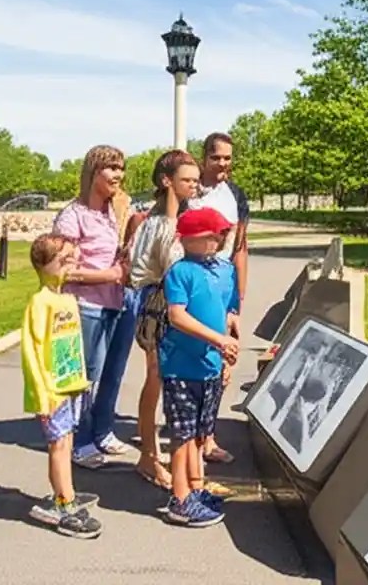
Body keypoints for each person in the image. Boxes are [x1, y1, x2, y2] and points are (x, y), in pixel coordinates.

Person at [52, 145, 135, 469]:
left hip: (116, 302)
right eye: (111, 168)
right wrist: (108, 274)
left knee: (112, 374)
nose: (118, 175)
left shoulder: (112, 213)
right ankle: (80, 440)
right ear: (93, 172)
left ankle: (103, 431)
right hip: (85, 306)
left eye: (121, 168)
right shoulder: (73, 216)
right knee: (84, 378)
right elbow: (63, 270)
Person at [158, 207, 240, 527]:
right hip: (181, 367)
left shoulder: (224, 270)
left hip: (210, 366)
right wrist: (218, 340)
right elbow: (177, 316)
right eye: (209, 236)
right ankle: (179, 499)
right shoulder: (180, 272)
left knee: (201, 433)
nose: (217, 241)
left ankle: (195, 487)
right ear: (188, 239)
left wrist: (229, 340)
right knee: (182, 435)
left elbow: (227, 307)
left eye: (219, 236)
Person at [19, 233, 103, 539]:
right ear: (43, 264)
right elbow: (32, 350)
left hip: (72, 386)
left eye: (73, 257)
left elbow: (73, 345)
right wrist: (44, 393)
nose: (72, 263)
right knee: (58, 444)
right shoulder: (39, 303)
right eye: (64, 259)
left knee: (67, 442)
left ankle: (64, 492)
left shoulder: (67, 299)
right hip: (53, 390)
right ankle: (65, 503)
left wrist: (81, 379)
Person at [127, 149, 200, 489]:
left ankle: (182, 457)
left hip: (180, 303)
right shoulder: (156, 224)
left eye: (196, 181)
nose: (194, 187)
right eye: (187, 180)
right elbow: (171, 265)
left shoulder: (186, 217)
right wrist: (173, 213)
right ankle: (149, 456)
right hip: (158, 303)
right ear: (166, 181)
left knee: (178, 380)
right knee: (157, 377)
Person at [186, 132, 251, 465]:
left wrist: (237, 298)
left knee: (223, 362)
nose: (223, 164)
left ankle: (207, 436)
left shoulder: (236, 196)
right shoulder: (192, 193)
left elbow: (240, 247)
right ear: (205, 158)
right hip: (193, 282)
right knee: (194, 362)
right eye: (217, 158)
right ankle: (187, 438)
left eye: (228, 158)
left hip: (223, 281)